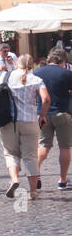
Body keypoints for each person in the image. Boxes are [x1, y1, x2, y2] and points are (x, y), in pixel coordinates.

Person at [1, 54, 49, 200]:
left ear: (18, 63)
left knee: (10, 153)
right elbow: (46, 99)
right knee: (31, 157)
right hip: (30, 121)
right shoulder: (36, 79)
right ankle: (33, 192)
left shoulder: (7, 76)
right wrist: (42, 115)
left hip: (9, 122)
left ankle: (14, 179)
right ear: (32, 64)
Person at [34, 48, 72, 191]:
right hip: (63, 112)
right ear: (62, 60)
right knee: (65, 146)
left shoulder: (37, 73)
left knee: (43, 145)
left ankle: (35, 175)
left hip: (42, 114)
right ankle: (62, 181)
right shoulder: (67, 73)